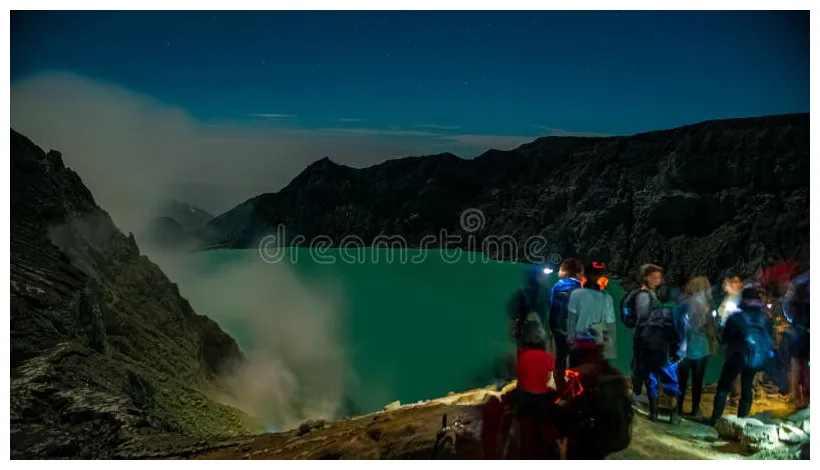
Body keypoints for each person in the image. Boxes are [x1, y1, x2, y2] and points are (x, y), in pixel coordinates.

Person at [623, 263, 684, 424]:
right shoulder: (644, 296)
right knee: (665, 376)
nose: (659, 280)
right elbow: (642, 319)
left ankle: (655, 414)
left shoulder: (651, 295)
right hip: (653, 343)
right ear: (645, 277)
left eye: (659, 277)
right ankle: (669, 414)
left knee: (653, 378)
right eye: (654, 277)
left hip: (650, 343)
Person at [705, 287, 775, 425]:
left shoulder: (736, 317)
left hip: (736, 356)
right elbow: (770, 338)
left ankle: (715, 419)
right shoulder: (765, 319)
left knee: (724, 386)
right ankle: (742, 421)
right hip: (755, 359)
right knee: (747, 387)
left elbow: (724, 338)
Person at [675, 276, 719, 418]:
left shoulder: (683, 302)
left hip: (685, 346)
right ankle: (695, 408)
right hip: (702, 346)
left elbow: (677, 322)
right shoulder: (710, 304)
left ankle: (678, 408)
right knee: (698, 380)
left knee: (682, 379)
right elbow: (714, 325)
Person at [567, 263, 617, 360]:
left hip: (580, 339)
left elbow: (571, 321)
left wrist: (570, 340)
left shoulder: (575, 294)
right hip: (598, 341)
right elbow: (610, 324)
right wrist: (610, 349)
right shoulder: (607, 297)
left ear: (584, 277)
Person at [549, 258, 585, 390]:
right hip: (574, 330)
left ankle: (559, 386)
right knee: (576, 358)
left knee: (560, 358)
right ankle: (574, 388)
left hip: (557, 328)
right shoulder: (579, 287)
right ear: (577, 273)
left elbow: (551, 306)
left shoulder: (556, 286)